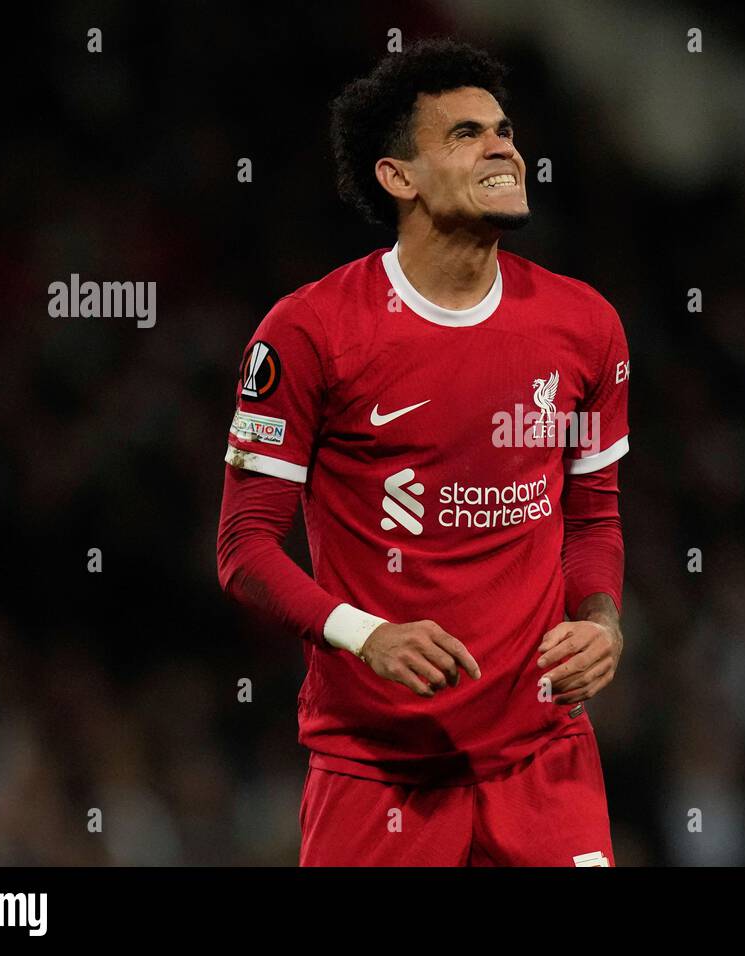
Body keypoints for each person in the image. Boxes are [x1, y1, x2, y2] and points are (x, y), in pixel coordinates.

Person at [217, 37, 630, 866]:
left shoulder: (586, 326)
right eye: (467, 134)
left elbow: (593, 518)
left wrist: (602, 623)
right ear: (398, 176)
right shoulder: (311, 333)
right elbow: (244, 551)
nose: (503, 146)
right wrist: (366, 634)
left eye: (505, 129)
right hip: (377, 775)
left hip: (544, 760)